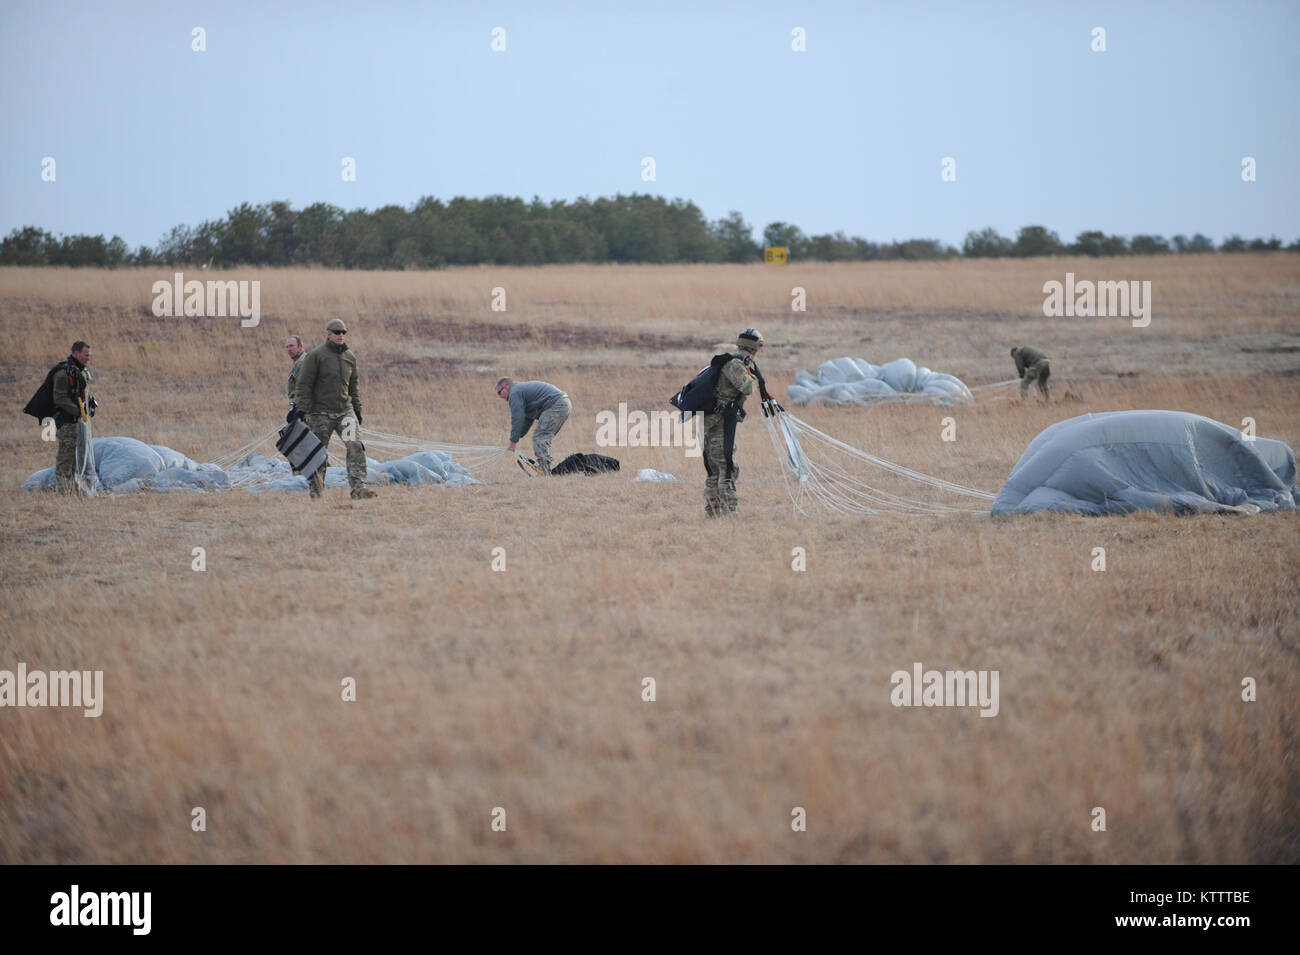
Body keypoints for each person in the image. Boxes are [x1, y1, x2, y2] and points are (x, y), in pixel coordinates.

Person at [291, 319, 376, 499]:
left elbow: (353, 386)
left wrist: (357, 409)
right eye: (337, 332)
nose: (341, 335)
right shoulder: (316, 356)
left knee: (355, 446)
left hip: (345, 411)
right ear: (329, 334)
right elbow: (304, 384)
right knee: (318, 453)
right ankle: (316, 491)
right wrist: (301, 409)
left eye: (344, 332)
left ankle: (358, 488)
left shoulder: (349, 357)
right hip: (320, 413)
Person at [702, 328, 773, 518]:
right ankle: (726, 514)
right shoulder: (735, 365)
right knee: (726, 469)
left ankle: (714, 513)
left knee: (715, 470)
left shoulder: (733, 362)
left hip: (714, 422)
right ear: (755, 349)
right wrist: (754, 375)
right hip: (719, 424)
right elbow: (747, 387)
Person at [496, 378, 571, 474]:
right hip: (563, 403)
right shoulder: (519, 391)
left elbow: (517, 418)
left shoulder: (514, 393)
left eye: (499, 392)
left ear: (506, 386)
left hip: (557, 404)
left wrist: (513, 441)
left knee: (540, 436)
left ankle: (544, 470)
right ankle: (545, 468)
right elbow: (527, 419)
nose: (499, 396)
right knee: (542, 436)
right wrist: (519, 435)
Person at [51, 341, 96, 494]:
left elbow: (83, 393)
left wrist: (89, 406)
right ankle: (64, 493)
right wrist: (77, 411)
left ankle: (74, 491)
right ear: (76, 354)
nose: (88, 358)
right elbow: (59, 398)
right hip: (67, 423)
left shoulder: (81, 371)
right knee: (66, 460)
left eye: (89, 355)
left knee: (79, 459)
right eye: (86, 355)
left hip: (81, 423)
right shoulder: (63, 373)